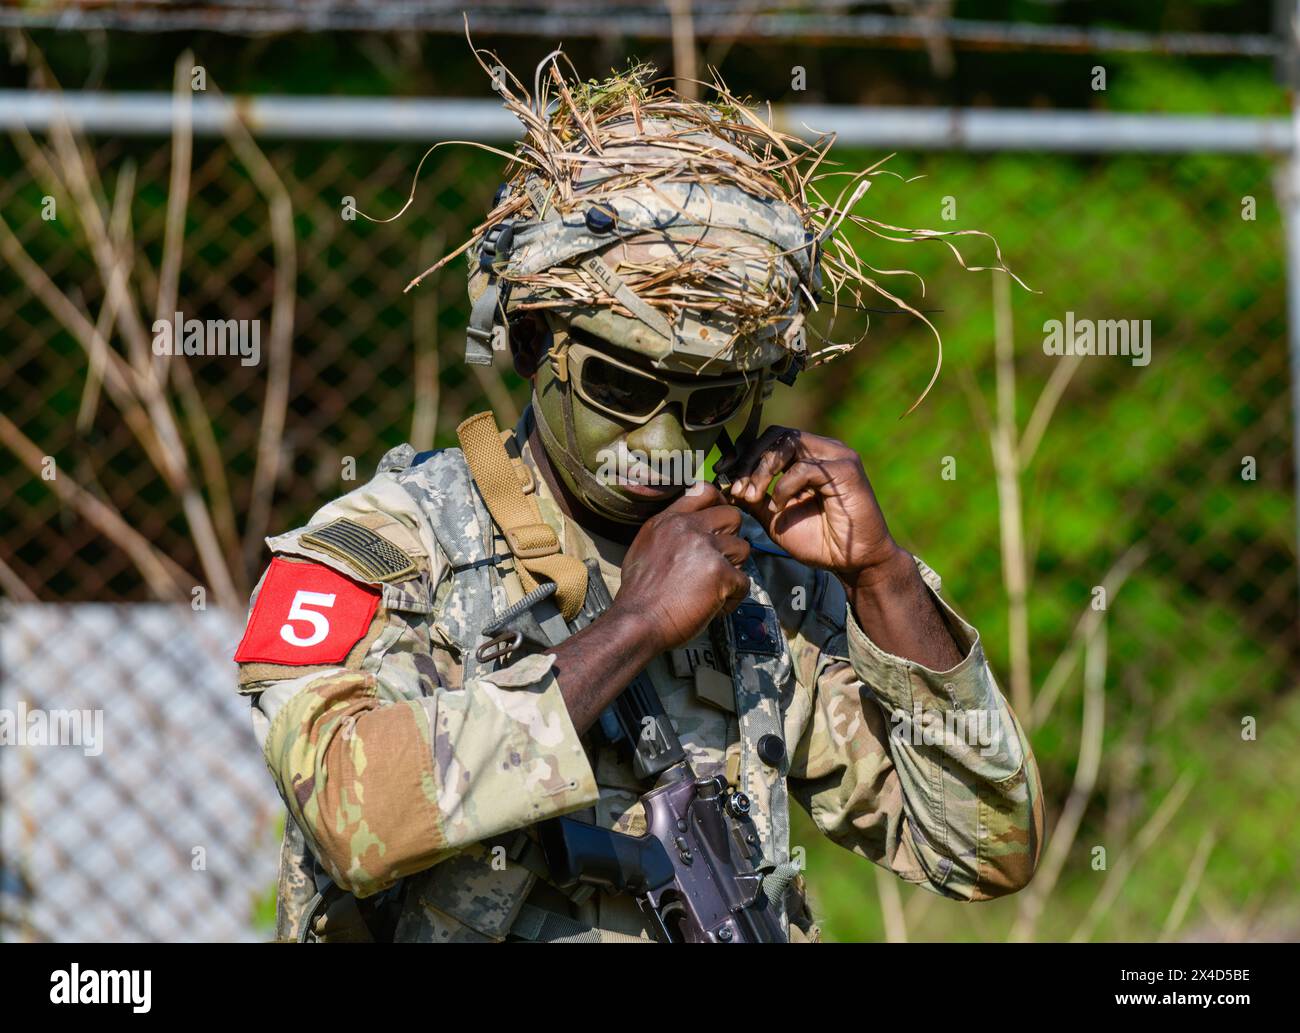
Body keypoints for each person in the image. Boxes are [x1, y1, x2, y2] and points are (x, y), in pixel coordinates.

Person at [233, 55, 1044, 942]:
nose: (662, 448)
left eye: (707, 404)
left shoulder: (763, 583)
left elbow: (983, 848)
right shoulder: (389, 549)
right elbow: (359, 818)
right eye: (621, 388)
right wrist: (635, 627)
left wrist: (883, 580)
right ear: (534, 341)